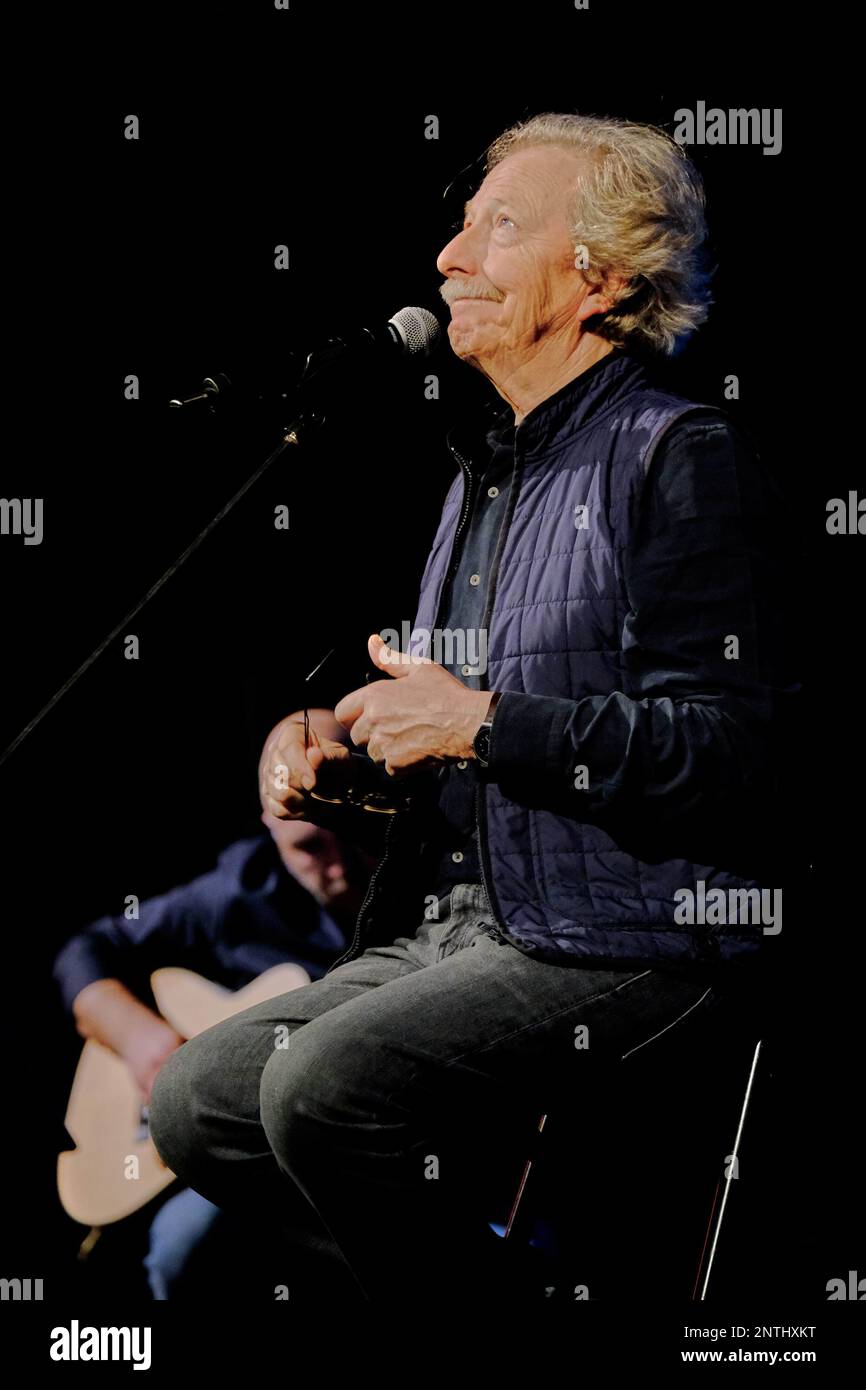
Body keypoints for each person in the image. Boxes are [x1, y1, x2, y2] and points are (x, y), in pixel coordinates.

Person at [148, 112, 796, 1305]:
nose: (447, 258)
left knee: (319, 1091)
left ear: (596, 275)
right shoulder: (480, 479)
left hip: (640, 934)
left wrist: (479, 724)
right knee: (195, 1102)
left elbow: (737, 747)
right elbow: (459, 711)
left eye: (494, 227)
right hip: (469, 922)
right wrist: (361, 747)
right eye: (455, 227)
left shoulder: (678, 456)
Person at [54, 710, 370, 1299]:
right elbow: (87, 950)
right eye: (306, 841)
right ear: (270, 825)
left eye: (348, 824)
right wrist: (148, 1047)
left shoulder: (435, 882)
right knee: (181, 1254)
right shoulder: (238, 892)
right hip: (237, 1159)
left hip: (346, 1146)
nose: (339, 859)